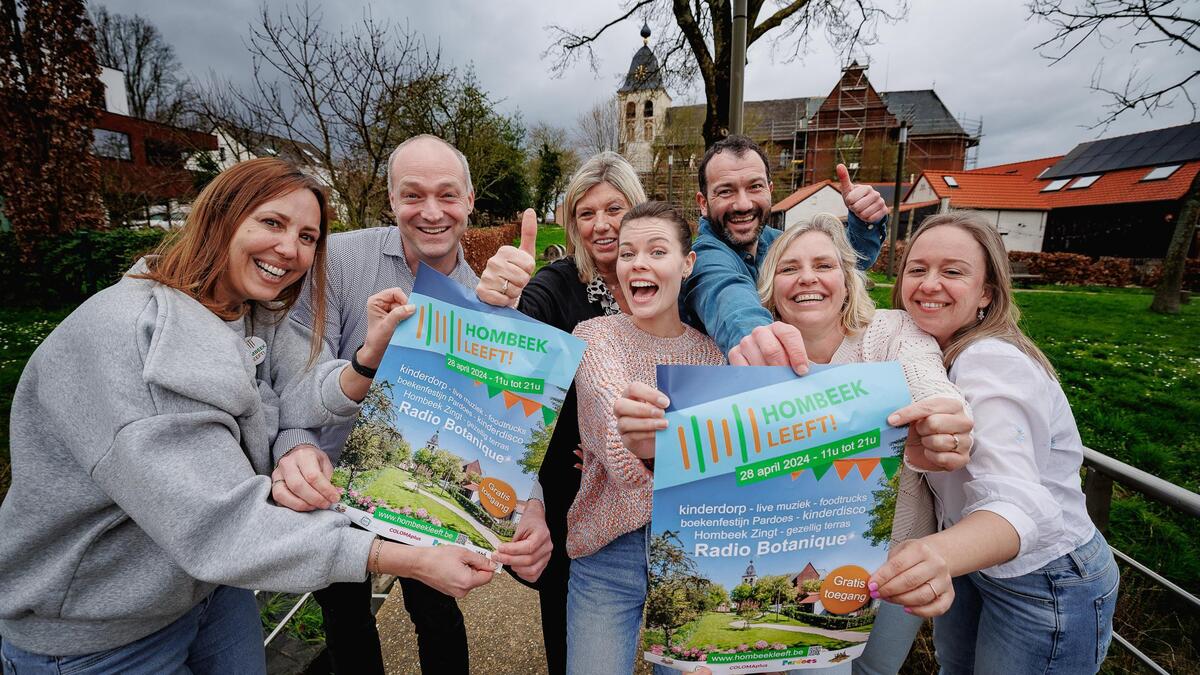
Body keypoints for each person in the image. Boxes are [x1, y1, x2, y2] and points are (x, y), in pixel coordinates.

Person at [0, 158, 495, 674]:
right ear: (220, 216)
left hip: (210, 591)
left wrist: (366, 360)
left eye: (307, 236)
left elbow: (295, 391)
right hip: (97, 632)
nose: (290, 249)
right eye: (272, 223)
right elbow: (221, 525)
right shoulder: (136, 342)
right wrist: (406, 559)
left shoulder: (251, 311)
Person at [617, 213, 974, 674]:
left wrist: (945, 415)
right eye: (789, 268)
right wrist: (652, 446)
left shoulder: (890, 332)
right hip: (807, 558)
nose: (807, 278)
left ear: (847, 279)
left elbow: (928, 380)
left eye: (823, 265)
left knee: (875, 670)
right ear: (770, 290)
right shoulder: (748, 365)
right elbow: (714, 467)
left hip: (902, 557)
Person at [270, 135, 551, 675]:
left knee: (437, 611)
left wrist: (530, 503)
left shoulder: (483, 299)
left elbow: (497, 421)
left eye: (447, 195)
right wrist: (296, 445)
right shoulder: (339, 260)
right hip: (331, 481)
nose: (431, 212)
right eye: (413, 195)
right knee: (345, 619)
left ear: (470, 200)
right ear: (391, 200)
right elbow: (294, 370)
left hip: (414, 484)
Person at [869, 212, 1119, 674]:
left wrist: (936, 554)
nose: (929, 284)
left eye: (952, 271)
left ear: (986, 292)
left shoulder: (990, 362)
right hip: (974, 561)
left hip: (1043, 578)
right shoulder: (925, 351)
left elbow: (1021, 504)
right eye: (917, 269)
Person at [476, 151, 648, 674]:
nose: (601, 224)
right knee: (569, 611)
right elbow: (516, 332)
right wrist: (501, 304)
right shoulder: (558, 284)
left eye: (614, 208)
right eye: (586, 213)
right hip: (573, 479)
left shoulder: (660, 276)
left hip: (654, 475)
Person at [564, 201, 725, 675]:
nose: (638, 263)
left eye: (657, 251)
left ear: (687, 263)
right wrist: (646, 448)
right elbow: (608, 406)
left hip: (692, 554)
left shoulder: (713, 357)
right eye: (628, 252)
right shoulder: (594, 336)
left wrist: (664, 450)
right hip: (608, 550)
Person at [683, 134, 889, 369]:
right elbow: (729, 299)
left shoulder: (779, 241)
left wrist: (864, 222)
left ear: (769, 190)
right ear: (703, 203)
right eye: (725, 191)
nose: (743, 204)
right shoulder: (704, 259)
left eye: (755, 187)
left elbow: (847, 262)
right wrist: (760, 340)